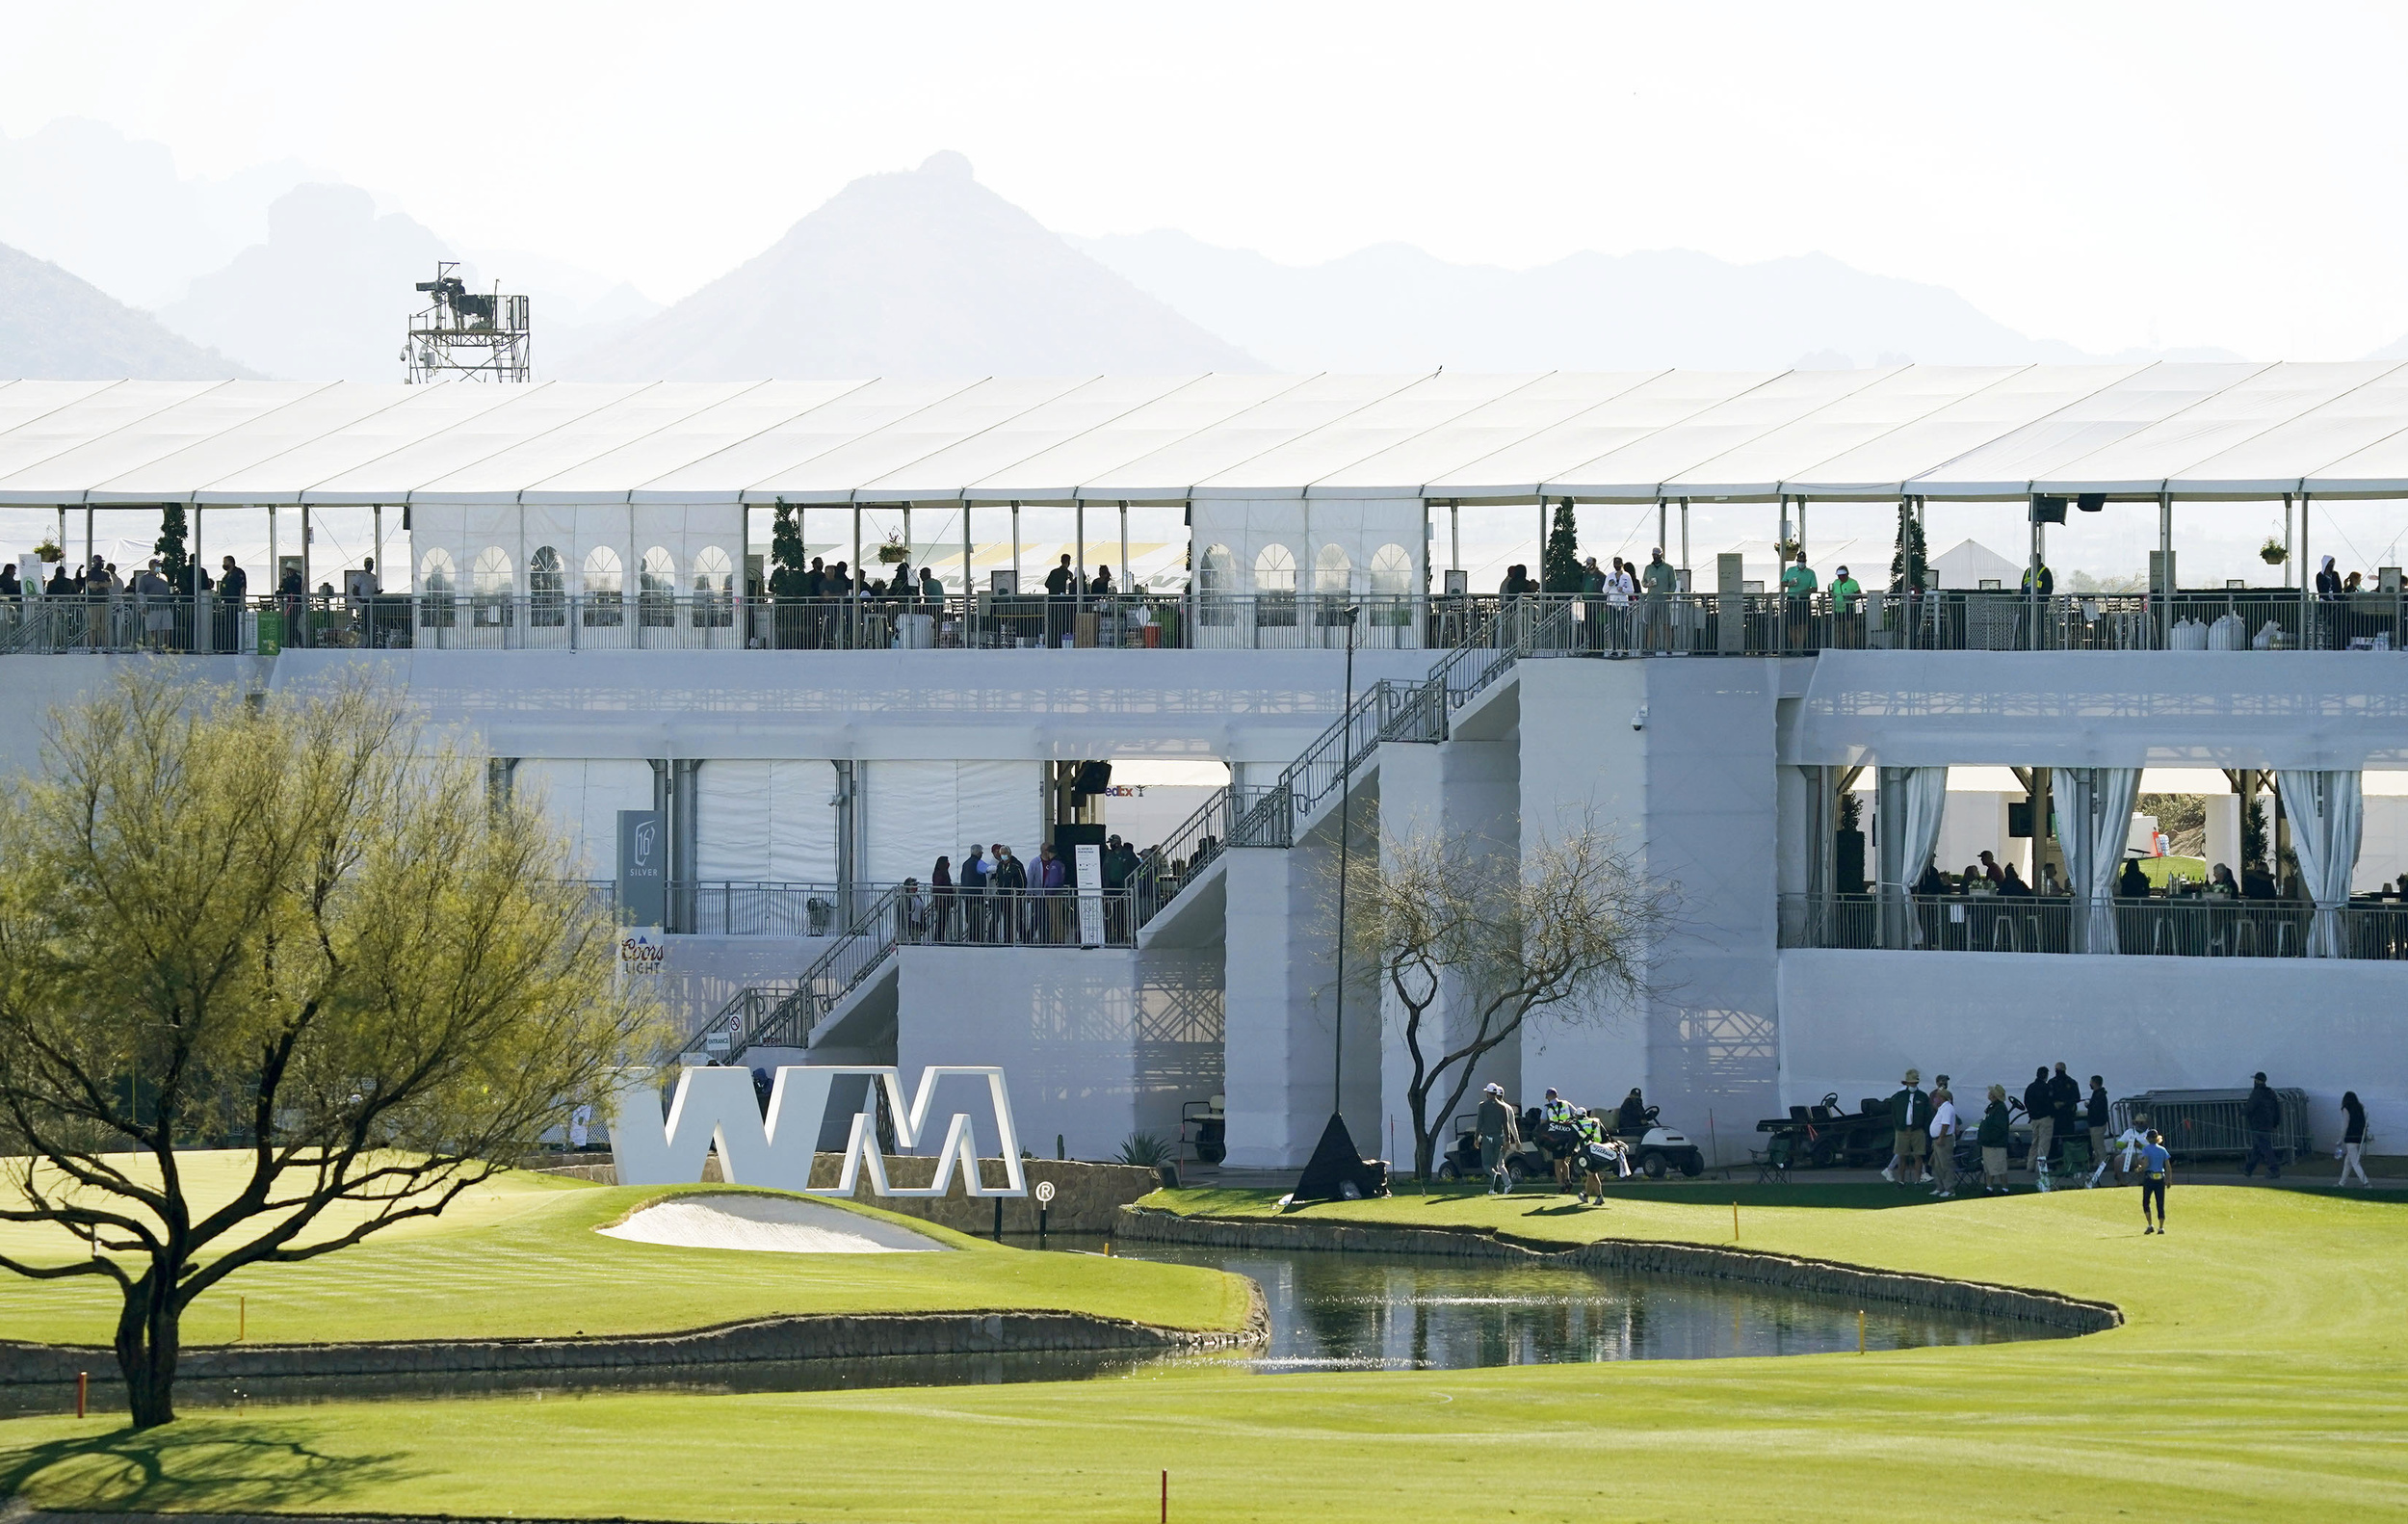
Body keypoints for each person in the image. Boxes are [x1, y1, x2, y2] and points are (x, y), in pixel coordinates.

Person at [1883, 1068, 1932, 1186]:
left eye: (1915, 1083)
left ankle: (1917, 1180)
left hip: (1917, 1130)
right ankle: (1901, 1180)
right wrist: (1898, 1126)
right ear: (1907, 1083)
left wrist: (1923, 1128)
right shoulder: (1899, 1096)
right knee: (1902, 1156)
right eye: (1911, 1083)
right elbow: (1894, 1113)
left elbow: (1927, 1114)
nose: (1913, 1085)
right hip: (1902, 1130)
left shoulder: (1922, 1096)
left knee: (1918, 1155)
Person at [1476, 1081, 1520, 1196]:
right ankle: (1493, 1189)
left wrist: (1476, 1138)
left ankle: (1501, 1180)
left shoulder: (1483, 1106)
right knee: (1496, 1164)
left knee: (1488, 1165)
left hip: (1488, 1138)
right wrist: (1510, 1140)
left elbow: (1479, 1123)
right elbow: (1507, 1125)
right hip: (1500, 1138)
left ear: (1488, 1093)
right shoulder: (1504, 1107)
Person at [2242, 1072, 2284, 1179]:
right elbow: (2277, 1109)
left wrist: (2241, 1113)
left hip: (2258, 1125)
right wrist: (2275, 1123)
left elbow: (2250, 1107)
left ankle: (2274, 1169)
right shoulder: (2271, 1093)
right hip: (2268, 1125)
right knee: (2258, 1148)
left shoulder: (2256, 1093)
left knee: (2265, 1148)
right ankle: (2248, 1169)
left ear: (2256, 1081)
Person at [1539, 1088, 1580, 1193]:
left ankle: (1561, 1185)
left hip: (1555, 1138)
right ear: (1556, 1095)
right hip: (1567, 1136)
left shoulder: (1547, 1108)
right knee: (1565, 1160)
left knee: (1557, 1163)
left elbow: (1542, 1122)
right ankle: (1568, 1179)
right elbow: (1577, 1115)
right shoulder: (1566, 1104)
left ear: (1548, 1096)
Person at [2047, 1063, 2081, 1173]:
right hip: (2056, 1117)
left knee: (2068, 1140)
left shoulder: (2071, 1083)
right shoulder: (2052, 1082)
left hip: (2067, 1116)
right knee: (2054, 1141)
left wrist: (2063, 1103)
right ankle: (2053, 1163)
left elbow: (2077, 1098)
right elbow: (2048, 1098)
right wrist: (2054, 1104)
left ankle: (2069, 1162)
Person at [1641, 547, 1678, 651]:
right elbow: (1643, 582)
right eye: (1654, 554)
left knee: (1666, 625)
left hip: (1664, 599)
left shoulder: (1669, 568)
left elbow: (1673, 583)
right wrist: (1647, 584)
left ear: (1662, 554)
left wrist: (1669, 595)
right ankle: (1650, 648)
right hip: (1651, 598)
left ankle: (1668, 648)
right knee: (1651, 625)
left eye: (1657, 554)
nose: (1655, 556)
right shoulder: (1648, 568)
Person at [1977, 1085, 2013, 1195]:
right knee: (1989, 1167)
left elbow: (1999, 1128)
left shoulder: (2000, 1109)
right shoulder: (1993, 1107)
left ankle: (2005, 1189)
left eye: (1990, 1093)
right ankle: (1989, 1188)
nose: (1988, 1094)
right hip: (1989, 1144)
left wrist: (1990, 1138)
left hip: (1996, 1144)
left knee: (2000, 1167)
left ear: (1994, 1096)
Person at [1927, 1086, 1960, 1197]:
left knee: (1945, 1164)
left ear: (1942, 1098)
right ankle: (1940, 1187)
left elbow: (1945, 1124)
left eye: (1937, 1097)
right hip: (1938, 1140)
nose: (1935, 1099)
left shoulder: (1947, 1108)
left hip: (1944, 1140)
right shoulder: (1942, 1108)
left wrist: (1941, 1137)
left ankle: (1949, 1189)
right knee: (1937, 1165)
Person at [1780, 548, 1817, 648]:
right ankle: (1794, 646)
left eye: (1803, 561)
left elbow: (1814, 588)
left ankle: (1800, 646)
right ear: (1797, 561)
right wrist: (1789, 583)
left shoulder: (1810, 572)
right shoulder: (1790, 570)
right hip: (1792, 600)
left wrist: (1804, 592)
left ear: (1806, 561)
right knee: (1791, 625)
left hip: (1804, 600)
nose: (1801, 562)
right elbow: (1782, 583)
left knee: (1803, 625)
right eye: (1800, 560)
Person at [2024, 1064, 2055, 1176]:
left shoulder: (2030, 1087)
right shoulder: (2047, 1088)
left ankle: (2030, 1165)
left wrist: (2031, 1113)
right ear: (2046, 1076)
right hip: (2045, 1118)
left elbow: (2026, 1102)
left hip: (2034, 1118)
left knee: (2034, 1143)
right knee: (2043, 1144)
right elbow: (2051, 1103)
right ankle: (2040, 1168)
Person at [2138, 1130, 2171, 1234]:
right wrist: (2169, 1179)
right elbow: (2168, 1166)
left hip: (2149, 1177)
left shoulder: (2146, 1149)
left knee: (2146, 1201)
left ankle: (2150, 1225)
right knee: (2160, 1203)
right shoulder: (2163, 1150)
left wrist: (2140, 1168)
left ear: (2148, 1139)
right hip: (2160, 1177)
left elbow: (2146, 1163)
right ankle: (2161, 1227)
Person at [957, 843, 989, 942]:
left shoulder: (965, 863)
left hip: (966, 895)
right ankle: (978, 939)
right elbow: (988, 869)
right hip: (977, 896)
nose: (982, 854)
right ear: (978, 853)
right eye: (981, 852)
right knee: (978, 918)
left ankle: (970, 937)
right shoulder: (979, 863)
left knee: (970, 918)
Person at [1045, 553, 1078, 646]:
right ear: (1069, 562)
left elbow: (1047, 584)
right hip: (1064, 604)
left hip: (1053, 603)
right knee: (1063, 625)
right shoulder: (1069, 574)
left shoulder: (1054, 572)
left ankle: (1052, 643)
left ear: (1061, 561)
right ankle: (1062, 644)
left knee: (1053, 625)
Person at [2339, 1090, 2369, 1187]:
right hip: (2359, 1138)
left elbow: (2345, 1125)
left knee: (2355, 1162)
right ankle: (2341, 1183)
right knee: (2348, 1162)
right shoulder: (2360, 1108)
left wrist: (2341, 1139)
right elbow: (2365, 1123)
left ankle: (2366, 1183)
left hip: (2350, 1139)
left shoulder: (2346, 1108)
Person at [2085, 1074, 2112, 1180]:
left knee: (2099, 1145)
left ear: (2095, 1083)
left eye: (2091, 1082)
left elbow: (2096, 1109)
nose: (2090, 1084)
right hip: (2096, 1123)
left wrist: (2089, 1105)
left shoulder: (2099, 1096)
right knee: (2095, 1144)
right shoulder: (2099, 1094)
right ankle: (2098, 1161)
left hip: (2097, 1124)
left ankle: (2102, 1163)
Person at [929, 854, 954, 942]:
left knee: (942, 921)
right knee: (941, 921)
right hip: (942, 901)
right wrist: (949, 890)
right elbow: (939, 886)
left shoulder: (942, 872)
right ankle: (938, 939)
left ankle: (940, 938)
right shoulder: (939, 873)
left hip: (944, 901)